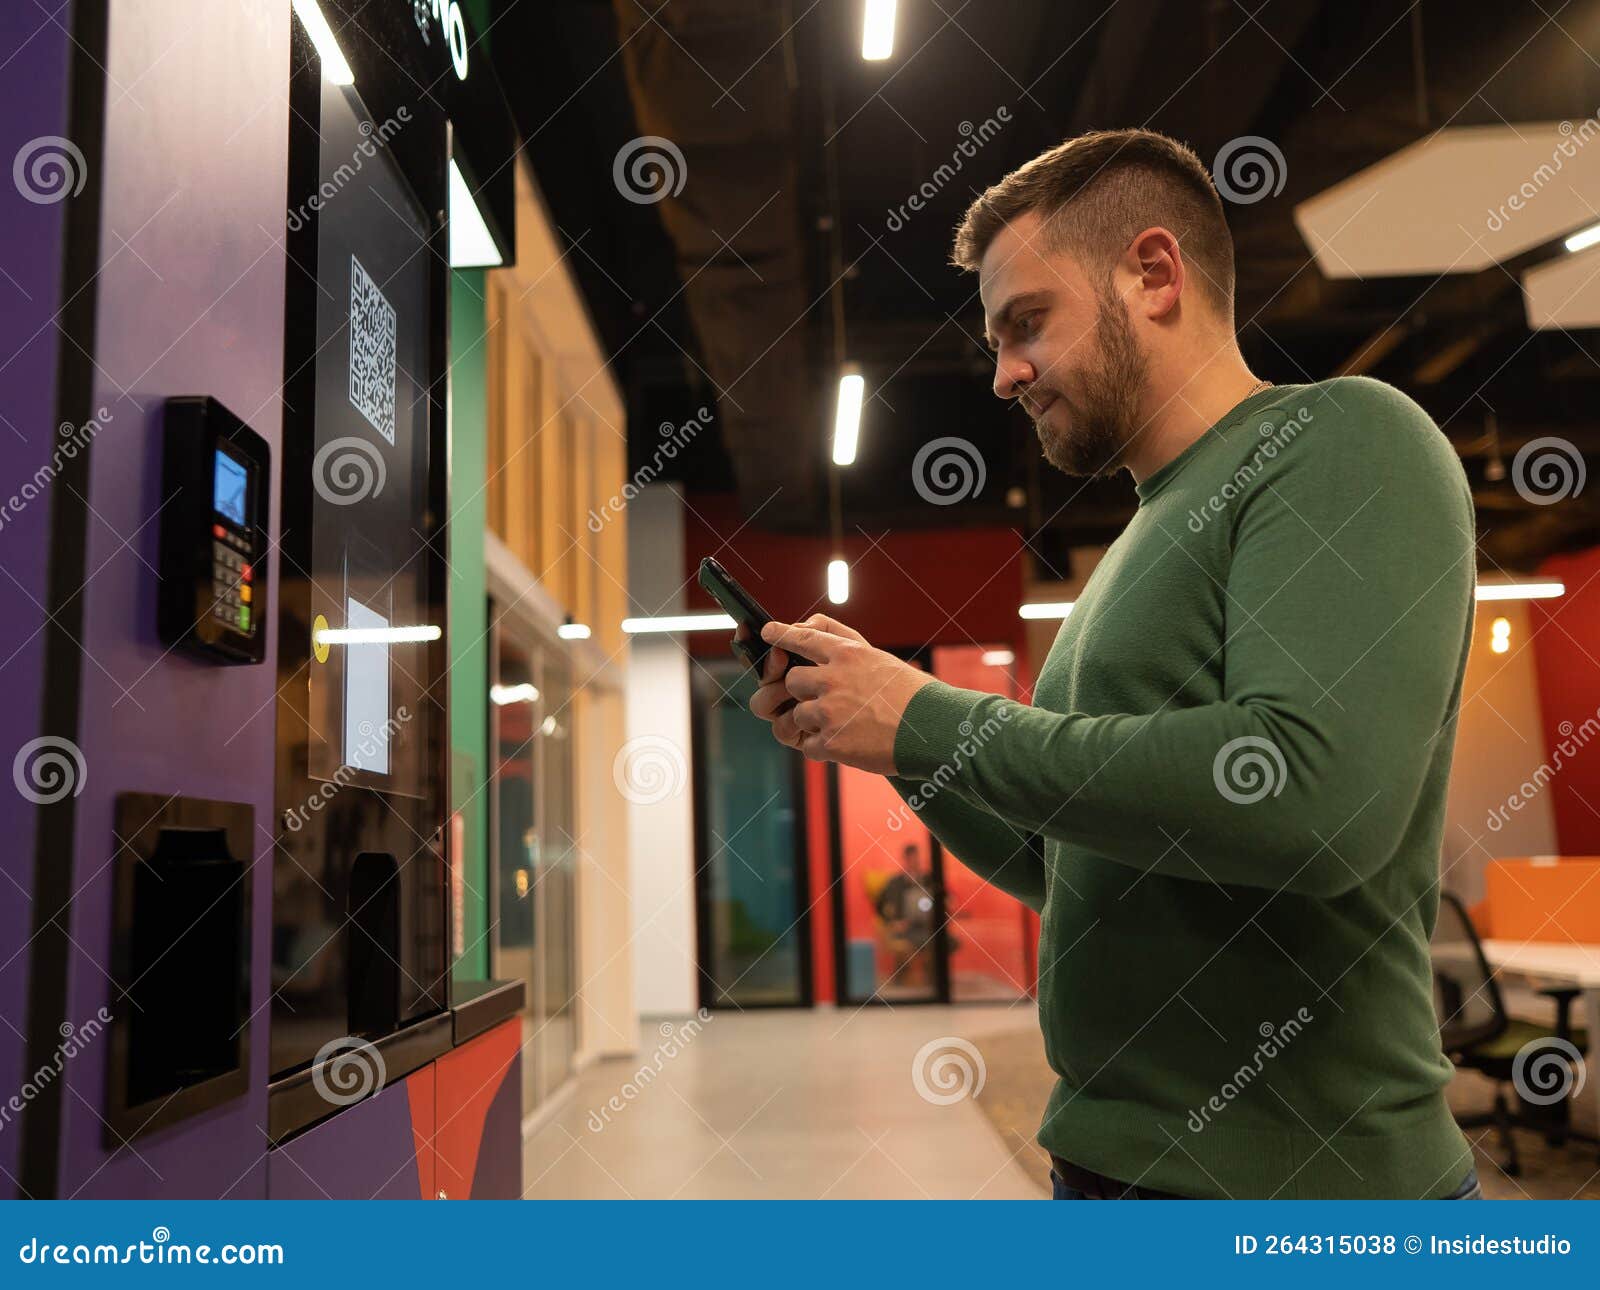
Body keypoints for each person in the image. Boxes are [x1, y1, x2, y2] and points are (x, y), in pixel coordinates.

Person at [748, 128, 1482, 1200]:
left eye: (1025, 325)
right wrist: (891, 738)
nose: (1002, 376)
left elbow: (1311, 797)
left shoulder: (1344, 440)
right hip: (1110, 1170)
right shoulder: (1138, 538)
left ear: (1150, 274)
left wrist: (927, 719)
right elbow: (1076, 861)